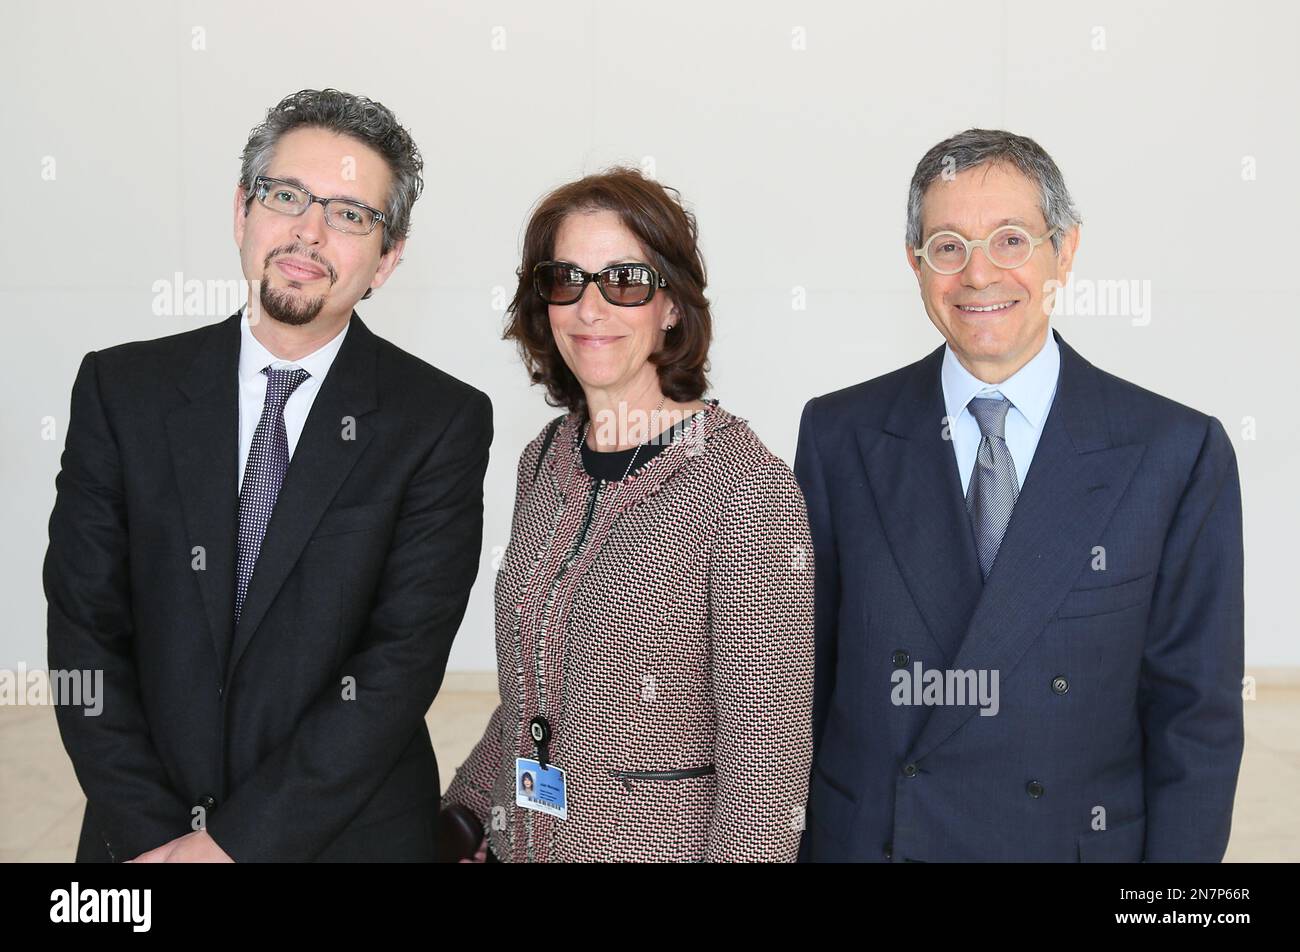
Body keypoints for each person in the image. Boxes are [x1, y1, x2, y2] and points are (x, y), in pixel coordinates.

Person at [44, 88, 492, 862]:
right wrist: (157, 839)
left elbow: (398, 665)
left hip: (346, 838)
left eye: (351, 214)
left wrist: (231, 847)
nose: (309, 232)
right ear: (242, 213)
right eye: (287, 196)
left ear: (388, 258)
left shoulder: (439, 421)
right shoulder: (122, 393)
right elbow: (83, 632)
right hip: (137, 840)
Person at [795, 129, 1244, 862]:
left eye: (1010, 241)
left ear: (1063, 252)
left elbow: (1196, 722)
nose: (978, 276)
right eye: (947, 246)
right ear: (915, 264)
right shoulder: (839, 434)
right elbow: (800, 686)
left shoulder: (1174, 452)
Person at [441, 168, 813, 862]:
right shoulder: (543, 461)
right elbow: (535, 688)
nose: (590, 308)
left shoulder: (747, 487)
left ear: (670, 306)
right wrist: (462, 809)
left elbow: (767, 767)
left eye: (624, 281)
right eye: (566, 279)